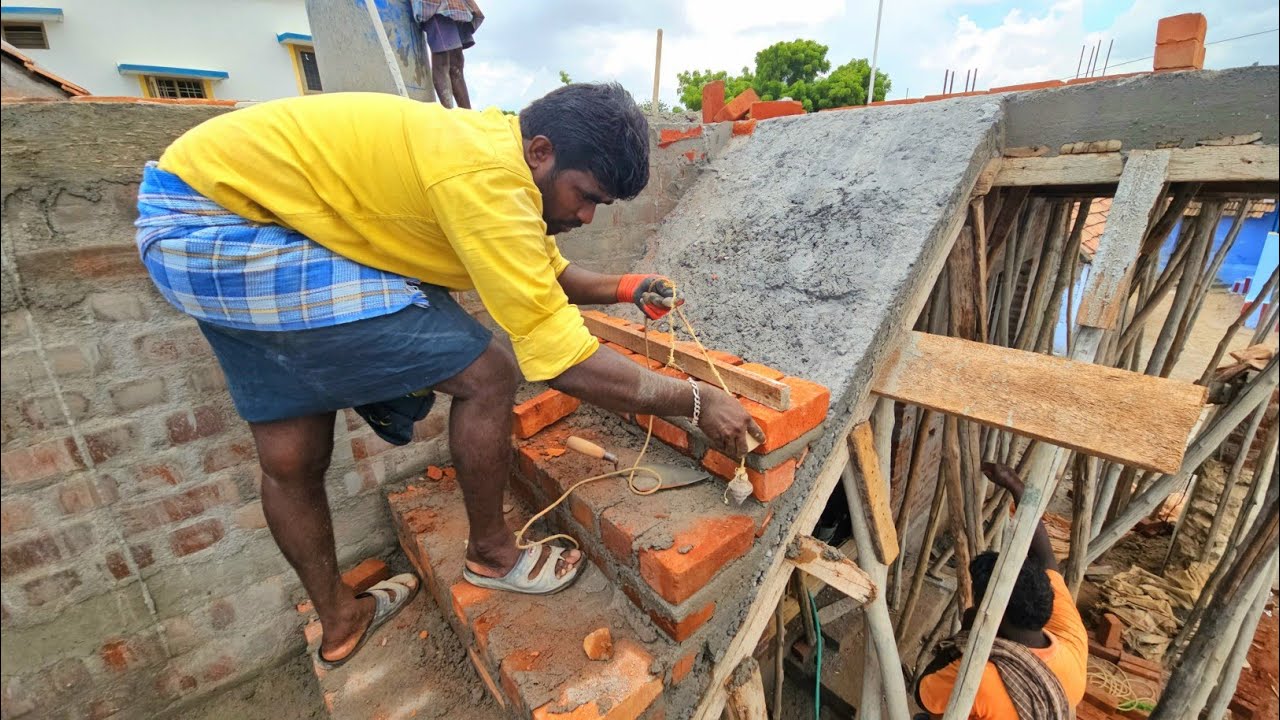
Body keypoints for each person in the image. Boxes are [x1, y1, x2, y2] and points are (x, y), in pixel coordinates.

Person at [134, 83, 763, 669]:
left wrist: (628, 287)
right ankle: (491, 553)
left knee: (290, 445)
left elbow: (545, 273)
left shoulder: (502, 158)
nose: (590, 216)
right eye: (588, 196)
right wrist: (697, 400)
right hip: (222, 232)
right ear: (541, 152)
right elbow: (562, 358)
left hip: (202, 224)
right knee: (488, 372)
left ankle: (339, 621)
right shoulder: (486, 179)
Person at [915, 462, 1088, 719]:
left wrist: (968, 634)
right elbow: (1046, 558)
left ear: (995, 611)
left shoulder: (981, 677)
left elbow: (923, 693)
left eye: (980, 598)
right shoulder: (1071, 641)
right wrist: (1014, 485)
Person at [412, 0, 482, 109]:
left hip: (456, 7)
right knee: (442, 59)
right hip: (436, 7)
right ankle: (448, 111)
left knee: (457, 62)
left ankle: (468, 115)